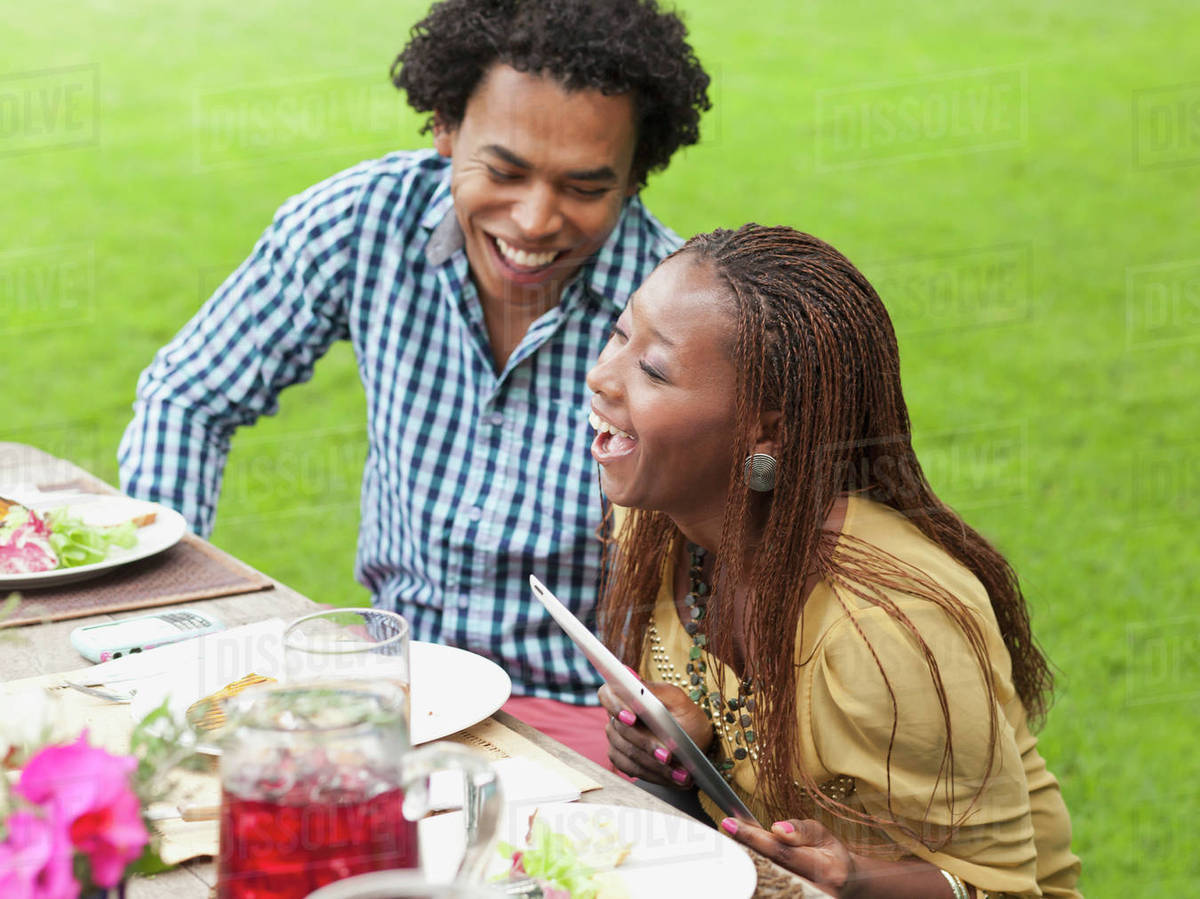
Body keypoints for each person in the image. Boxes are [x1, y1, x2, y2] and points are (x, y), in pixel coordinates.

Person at [117, 0, 710, 766]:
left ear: (636, 176)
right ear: (444, 126)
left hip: (582, 725)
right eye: (503, 170)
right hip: (383, 687)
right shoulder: (362, 222)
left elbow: (733, 556)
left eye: (584, 187)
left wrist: (687, 705)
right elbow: (188, 395)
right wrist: (172, 615)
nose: (533, 221)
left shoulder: (675, 317)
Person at [589, 225, 1081, 897]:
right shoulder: (655, 515)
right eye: (619, 334)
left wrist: (853, 879)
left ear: (767, 430)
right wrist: (682, 746)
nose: (601, 376)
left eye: (653, 370)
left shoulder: (886, 626)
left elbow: (1006, 889)